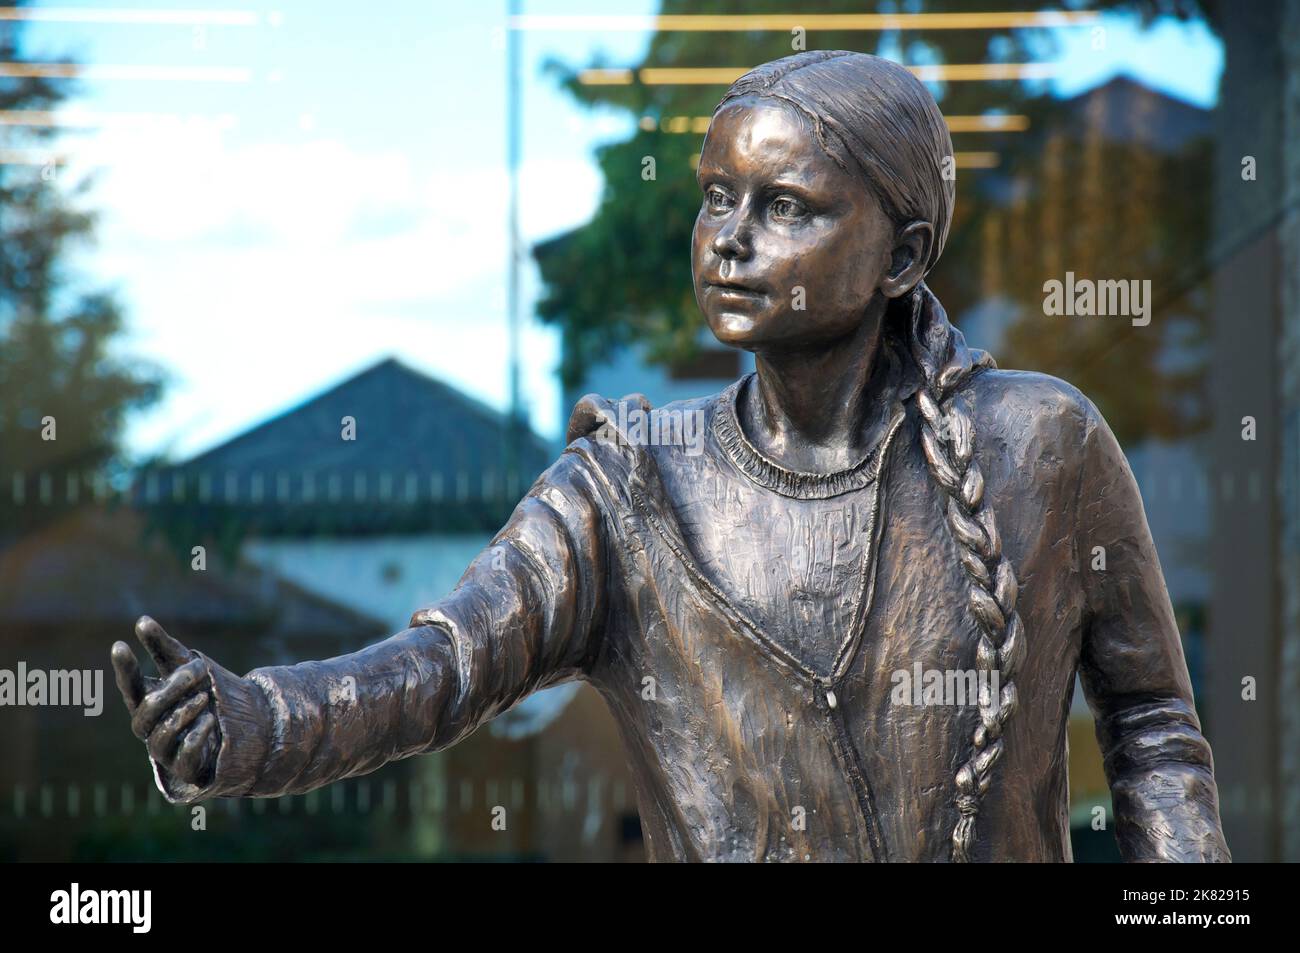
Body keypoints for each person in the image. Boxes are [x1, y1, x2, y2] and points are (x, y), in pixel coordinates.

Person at [112, 50, 1230, 862]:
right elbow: (443, 668)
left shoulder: (1040, 444)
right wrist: (252, 723)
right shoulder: (627, 485)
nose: (729, 238)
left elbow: (1151, 724)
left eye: (786, 205)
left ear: (903, 255)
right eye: (713, 198)